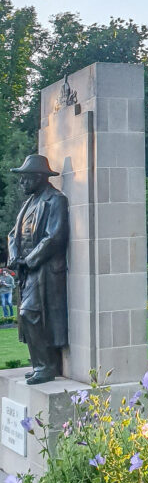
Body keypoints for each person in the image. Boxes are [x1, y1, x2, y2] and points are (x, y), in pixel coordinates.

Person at [7, 154, 69, 383]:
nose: (22, 183)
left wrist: (29, 259)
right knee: (27, 318)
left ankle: (47, 366)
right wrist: (14, 255)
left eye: (26, 178)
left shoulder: (55, 200)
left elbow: (54, 237)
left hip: (44, 269)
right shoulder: (28, 203)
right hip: (28, 270)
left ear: (39, 177)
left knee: (30, 313)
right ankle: (39, 365)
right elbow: (13, 235)